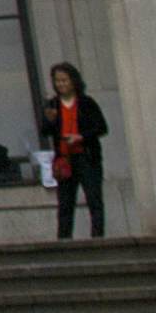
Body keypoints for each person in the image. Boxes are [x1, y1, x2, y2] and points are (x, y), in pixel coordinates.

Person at [41, 61, 110, 238]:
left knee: (94, 200)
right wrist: (50, 120)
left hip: (86, 157)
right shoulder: (53, 104)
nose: (61, 84)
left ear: (73, 81)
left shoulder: (86, 103)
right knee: (65, 204)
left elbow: (101, 127)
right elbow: (45, 131)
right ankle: (64, 240)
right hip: (65, 159)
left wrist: (81, 137)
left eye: (64, 80)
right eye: (58, 81)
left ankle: (97, 237)